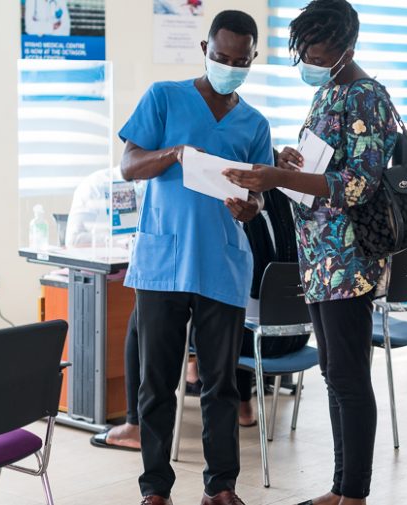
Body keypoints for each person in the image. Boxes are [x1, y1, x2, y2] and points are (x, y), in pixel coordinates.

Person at [224, 2, 398, 504]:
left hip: (349, 260)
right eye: (298, 48)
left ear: (344, 47)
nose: (303, 58)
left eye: (312, 48)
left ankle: (355, 495)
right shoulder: (330, 93)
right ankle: (340, 488)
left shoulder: (365, 96)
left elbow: (359, 185)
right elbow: (319, 170)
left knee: (348, 376)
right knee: (334, 375)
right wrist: (286, 168)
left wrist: (280, 177)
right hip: (320, 259)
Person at [118, 10, 270, 505]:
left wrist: (252, 206)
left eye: (239, 60)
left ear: (251, 58)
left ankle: (220, 487)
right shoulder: (164, 97)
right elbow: (129, 165)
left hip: (222, 265)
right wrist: (175, 153)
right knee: (157, 384)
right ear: (204, 48)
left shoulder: (254, 123)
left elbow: (260, 196)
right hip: (164, 264)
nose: (229, 66)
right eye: (221, 57)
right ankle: (155, 490)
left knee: (221, 385)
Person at [91, 186, 308, 452]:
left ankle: (135, 426)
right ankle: (243, 407)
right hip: (296, 336)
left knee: (147, 319)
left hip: (255, 341)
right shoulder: (287, 206)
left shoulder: (237, 215)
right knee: (224, 304)